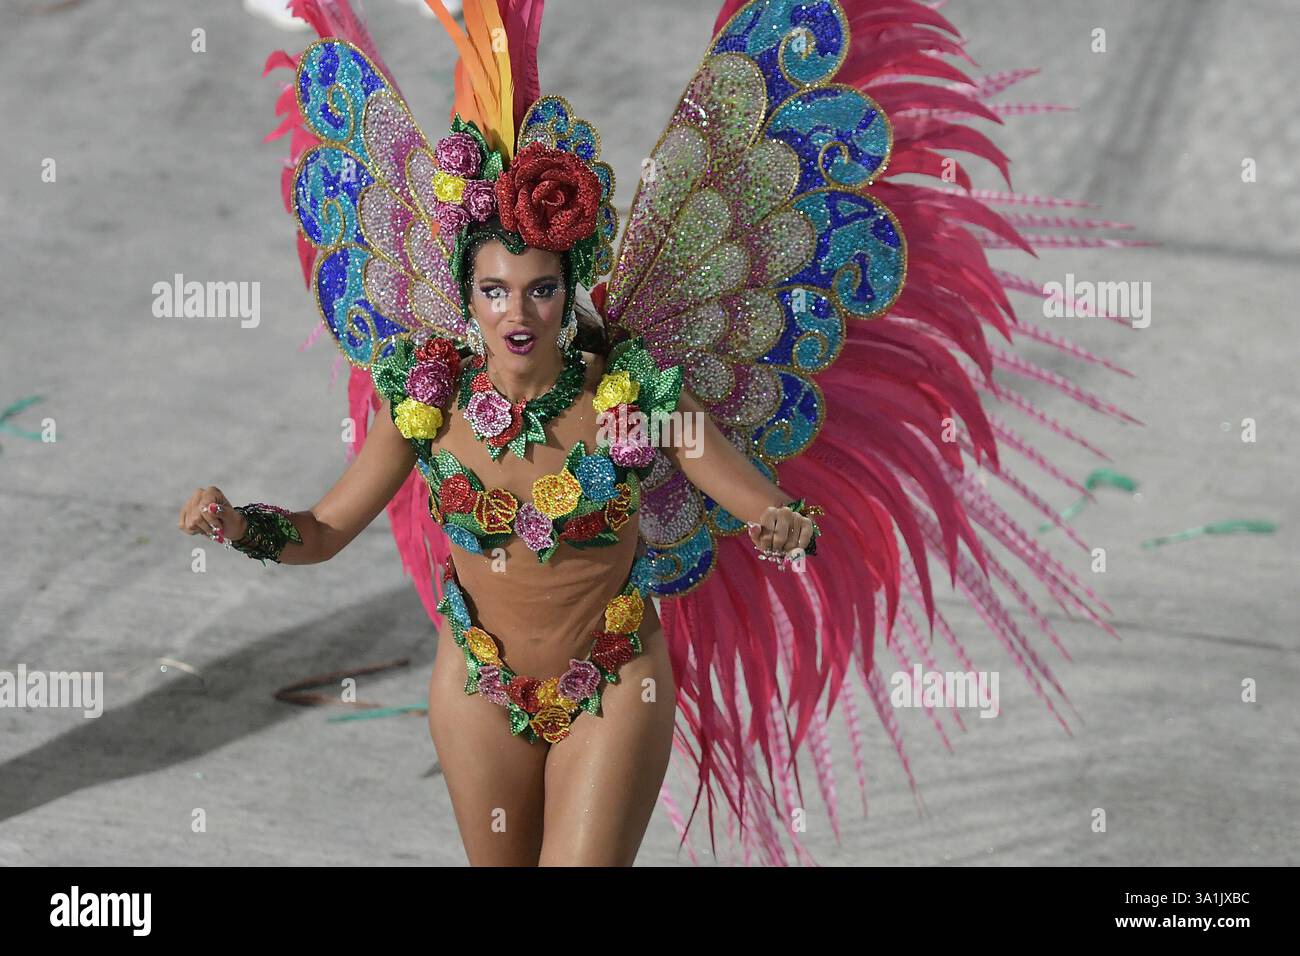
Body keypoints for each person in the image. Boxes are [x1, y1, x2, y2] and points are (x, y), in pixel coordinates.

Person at [181, 0, 1130, 866]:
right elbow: (323, 530)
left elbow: (754, 495)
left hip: (613, 689)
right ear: (464, 296)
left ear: (569, 287)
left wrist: (780, 522)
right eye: (496, 291)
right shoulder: (422, 401)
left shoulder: (642, 400)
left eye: (542, 289)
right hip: (475, 694)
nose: (520, 313)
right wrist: (240, 526)